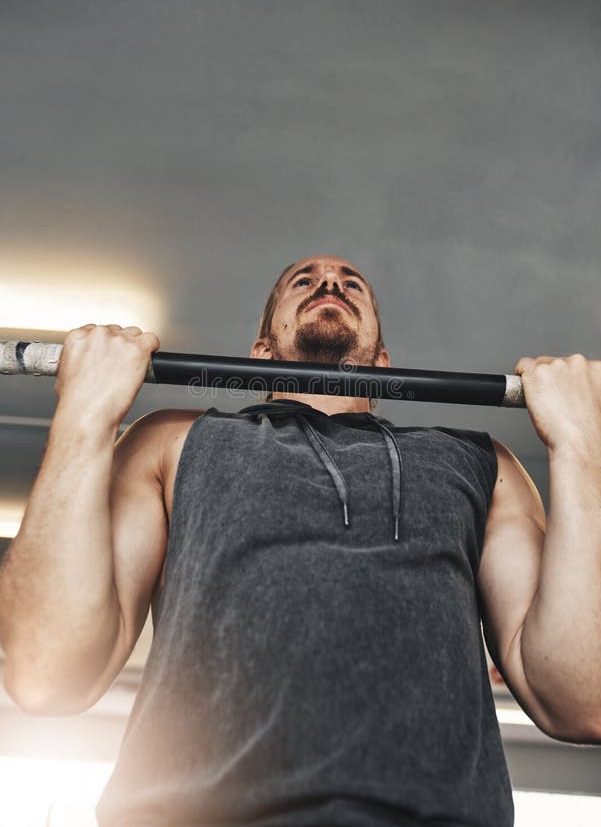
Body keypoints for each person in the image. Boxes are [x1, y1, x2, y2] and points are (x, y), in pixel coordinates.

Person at [0, 254, 600, 827]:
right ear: (262, 350)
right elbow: (47, 671)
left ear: (383, 363)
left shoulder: (478, 463)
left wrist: (580, 444)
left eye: (351, 283)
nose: (330, 285)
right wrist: (86, 410)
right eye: (304, 281)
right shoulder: (173, 442)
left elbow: (582, 697)